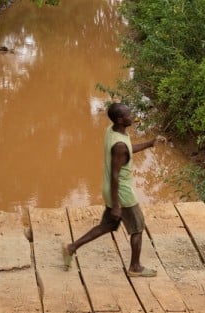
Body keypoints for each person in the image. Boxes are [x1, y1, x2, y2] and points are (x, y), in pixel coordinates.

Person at [63, 102, 165, 277]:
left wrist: (150, 143)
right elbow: (116, 175)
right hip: (122, 193)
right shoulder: (119, 145)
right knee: (137, 228)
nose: (131, 116)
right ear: (119, 119)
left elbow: (127, 152)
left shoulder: (113, 132)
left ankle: (71, 248)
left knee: (108, 225)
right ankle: (135, 267)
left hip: (111, 189)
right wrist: (117, 205)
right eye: (128, 114)